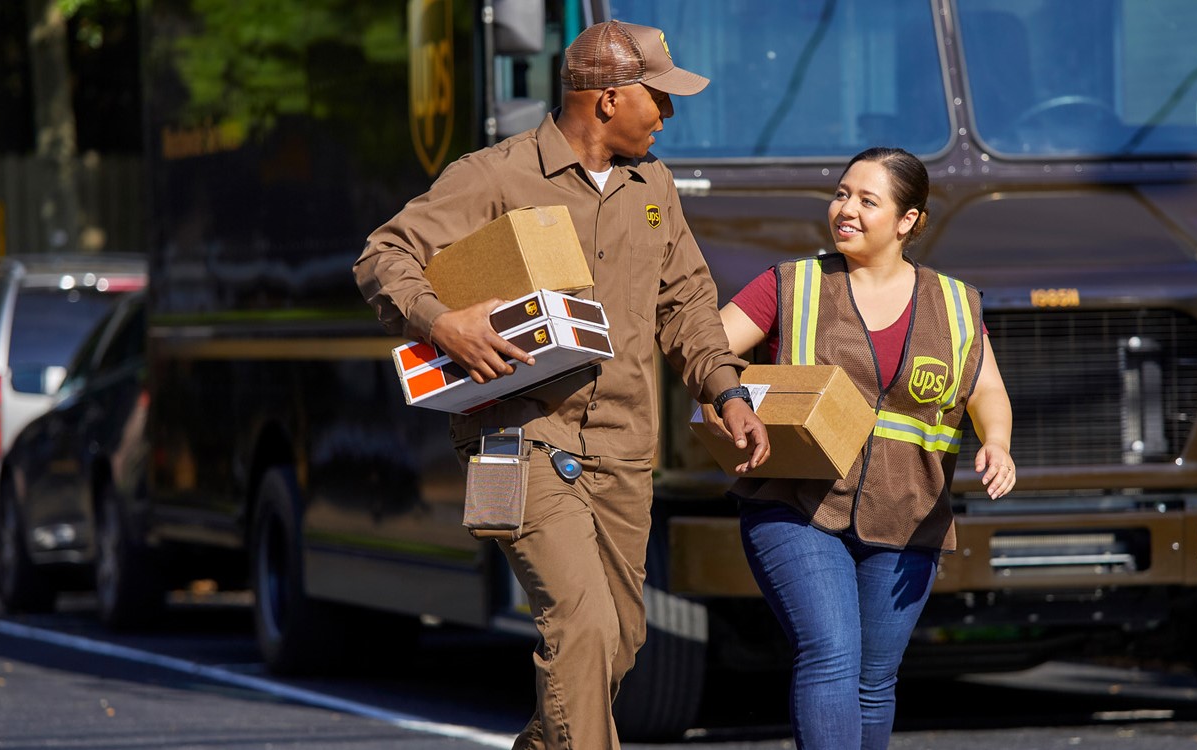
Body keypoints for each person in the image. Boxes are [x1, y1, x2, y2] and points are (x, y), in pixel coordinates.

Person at [354, 20, 769, 750]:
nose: (669, 115)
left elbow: (688, 306)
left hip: (623, 446)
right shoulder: (492, 176)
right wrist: (441, 322)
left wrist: (727, 391)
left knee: (618, 640)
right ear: (608, 99)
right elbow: (383, 255)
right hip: (517, 442)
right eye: (659, 99)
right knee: (579, 623)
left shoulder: (655, 187)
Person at [706, 147, 1015, 749]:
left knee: (874, 680)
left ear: (907, 221)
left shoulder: (954, 305)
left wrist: (997, 444)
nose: (845, 209)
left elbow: (989, 389)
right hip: (795, 504)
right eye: (842, 194)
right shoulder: (789, 286)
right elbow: (708, 352)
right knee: (831, 653)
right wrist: (733, 400)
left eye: (867, 201)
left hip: (907, 513)